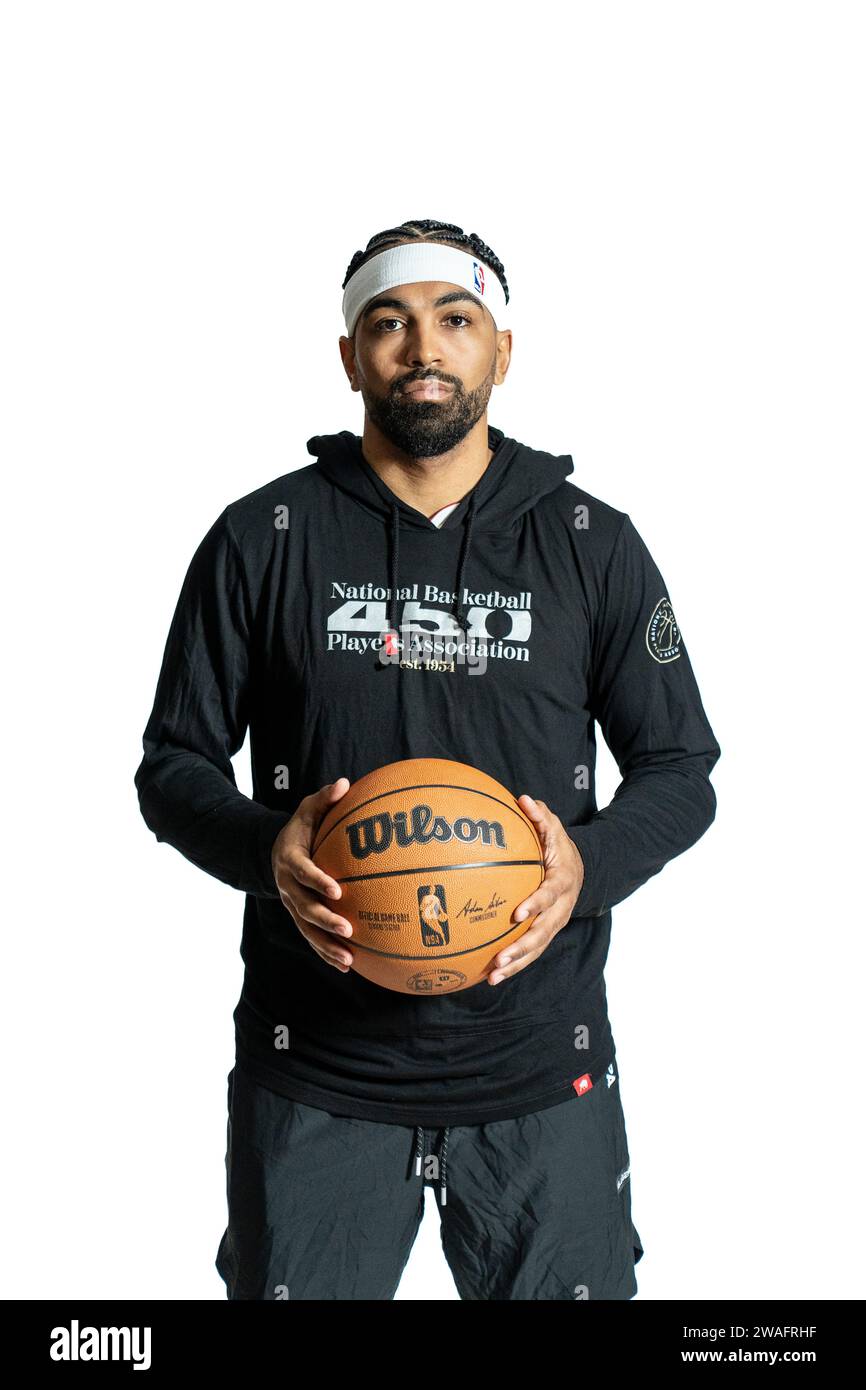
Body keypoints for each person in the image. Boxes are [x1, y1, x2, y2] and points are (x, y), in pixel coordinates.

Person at [135, 217, 721, 1300]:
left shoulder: (593, 545)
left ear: (500, 349)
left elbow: (681, 769)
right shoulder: (260, 538)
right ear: (350, 356)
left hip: (540, 1067)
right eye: (389, 323)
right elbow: (171, 767)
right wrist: (268, 849)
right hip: (315, 1066)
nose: (423, 348)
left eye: (454, 320)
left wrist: (584, 867)